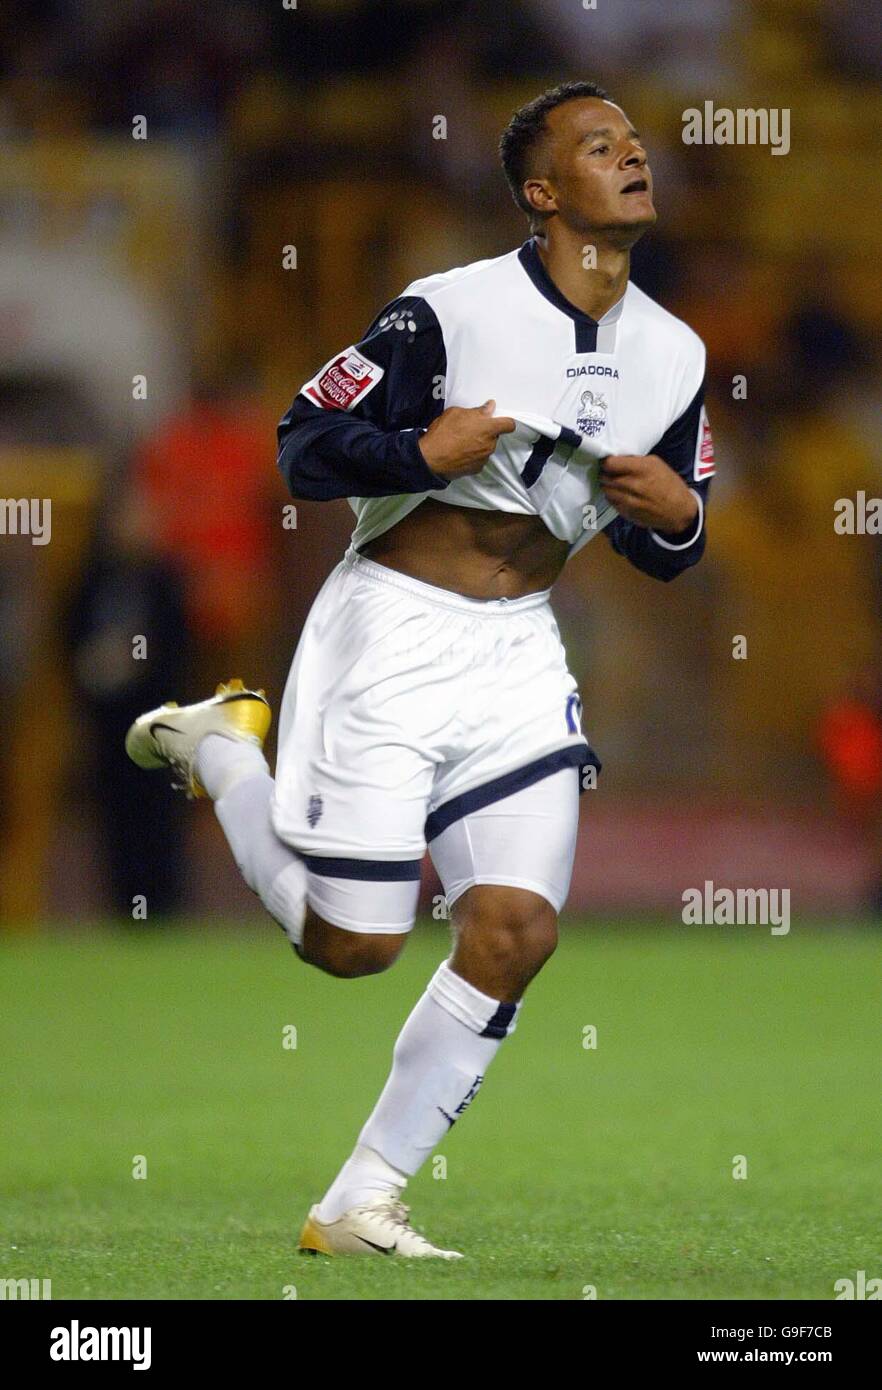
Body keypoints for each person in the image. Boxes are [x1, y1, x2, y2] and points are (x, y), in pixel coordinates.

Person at [126, 81, 714, 1258]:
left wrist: (680, 518)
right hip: (391, 629)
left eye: (635, 142)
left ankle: (360, 1199)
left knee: (515, 931)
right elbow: (302, 443)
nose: (631, 156)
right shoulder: (446, 311)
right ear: (542, 193)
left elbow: (666, 546)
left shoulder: (676, 352)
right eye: (598, 146)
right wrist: (418, 450)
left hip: (519, 649)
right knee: (353, 946)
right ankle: (227, 751)